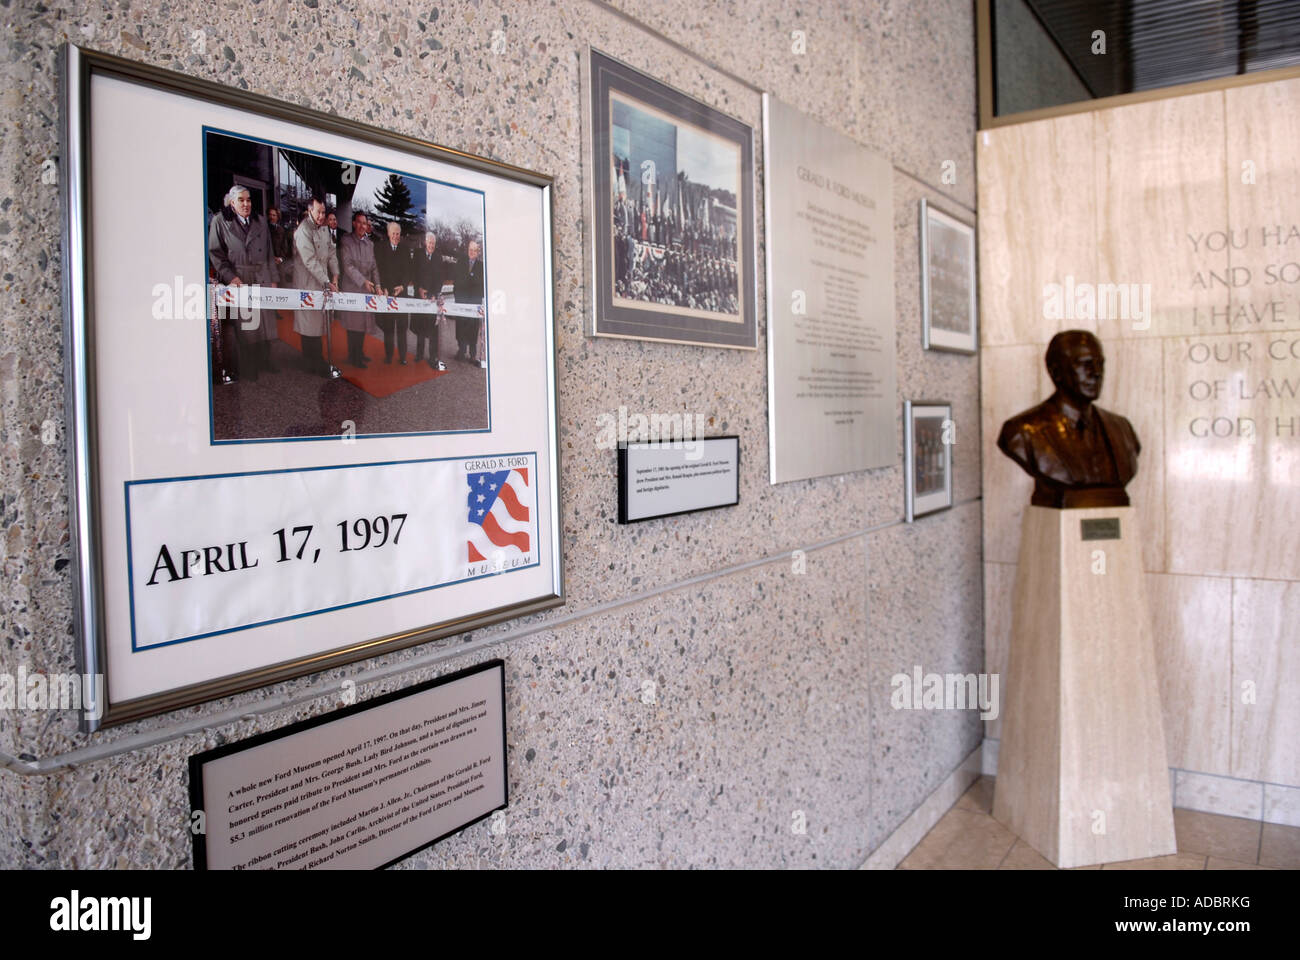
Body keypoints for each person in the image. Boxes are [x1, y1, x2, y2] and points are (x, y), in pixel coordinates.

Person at [997, 330, 1141, 508]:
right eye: (1084, 364)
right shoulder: (1022, 432)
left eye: (1100, 364)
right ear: (1056, 372)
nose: (1096, 373)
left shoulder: (1122, 429)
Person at [207, 184, 278, 382]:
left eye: (248, 200)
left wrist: (273, 278)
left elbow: (269, 252)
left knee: (265, 325)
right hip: (239, 279)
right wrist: (230, 276)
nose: (246, 204)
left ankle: (265, 361)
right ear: (232, 203)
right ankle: (248, 367)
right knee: (246, 326)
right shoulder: (220, 221)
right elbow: (216, 253)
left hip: (261, 277)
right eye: (241, 200)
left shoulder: (260, 221)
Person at [292, 197, 339, 375]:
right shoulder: (304, 230)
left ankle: (315, 359)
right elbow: (310, 261)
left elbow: (332, 253)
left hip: (322, 280)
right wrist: (326, 281)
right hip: (308, 283)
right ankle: (312, 361)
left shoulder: (325, 229)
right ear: (310, 210)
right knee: (309, 323)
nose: (321, 216)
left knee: (318, 323)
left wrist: (335, 275)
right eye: (318, 211)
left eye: (323, 212)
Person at [338, 211, 381, 369]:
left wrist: (378, 285)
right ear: (354, 223)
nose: (362, 226)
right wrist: (363, 281)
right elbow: (348, 266)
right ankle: (353, 356)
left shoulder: (370, 244)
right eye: (359, 222)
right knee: (353, 324)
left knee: (363, 323)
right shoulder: (346, 241)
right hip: (352, 288)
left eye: (365, 223)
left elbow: (374, 267)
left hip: (366, 289)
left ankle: (359, 353)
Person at [374, 221, 412, 364]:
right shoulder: (380, 248)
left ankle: (403, 357)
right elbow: (378, 270)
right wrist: (383, 287)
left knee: (402, 329)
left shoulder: (405, 249)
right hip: (387, 294)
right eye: (393, 233)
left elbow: (408, 271)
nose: (396, 236)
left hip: (401, 294)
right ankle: (389, 356)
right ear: (388, 233)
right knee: (388, 328)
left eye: (398, 234)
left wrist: (403, 285)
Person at [413, 231, 448, 370]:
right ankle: (419, 354)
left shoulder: (438, 257)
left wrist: (434, 294)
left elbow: (440, 278)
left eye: (433, 243)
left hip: (433, 297)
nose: (431, 245)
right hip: (420, 295)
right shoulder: (418, 254)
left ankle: (433, 356)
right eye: (429, 243)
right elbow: (414, 273)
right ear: (425, 243)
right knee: (420, 327)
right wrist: (419, 289)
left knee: (433, 328)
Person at [453, 239, 485, 363]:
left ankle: (472, 354)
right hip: (461, 300)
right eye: (470, 250)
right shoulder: (461, 262)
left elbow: (481, 285)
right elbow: (456, 279)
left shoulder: (481, 266)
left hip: (473, 302)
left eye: (474, 250)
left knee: (472, 328)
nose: (472, 252)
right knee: (460, 326)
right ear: (468, 251)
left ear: (478, 252)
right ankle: (461, 351)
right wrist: (457, 295)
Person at [267, 205, 294, 286]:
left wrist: (281, 258)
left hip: (279, 265)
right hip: (267, 264)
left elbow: (285, 247)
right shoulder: (264, 229)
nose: (271, 217)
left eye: (274, 215)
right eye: (270, 215)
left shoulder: (281, 230)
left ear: (278, 217)